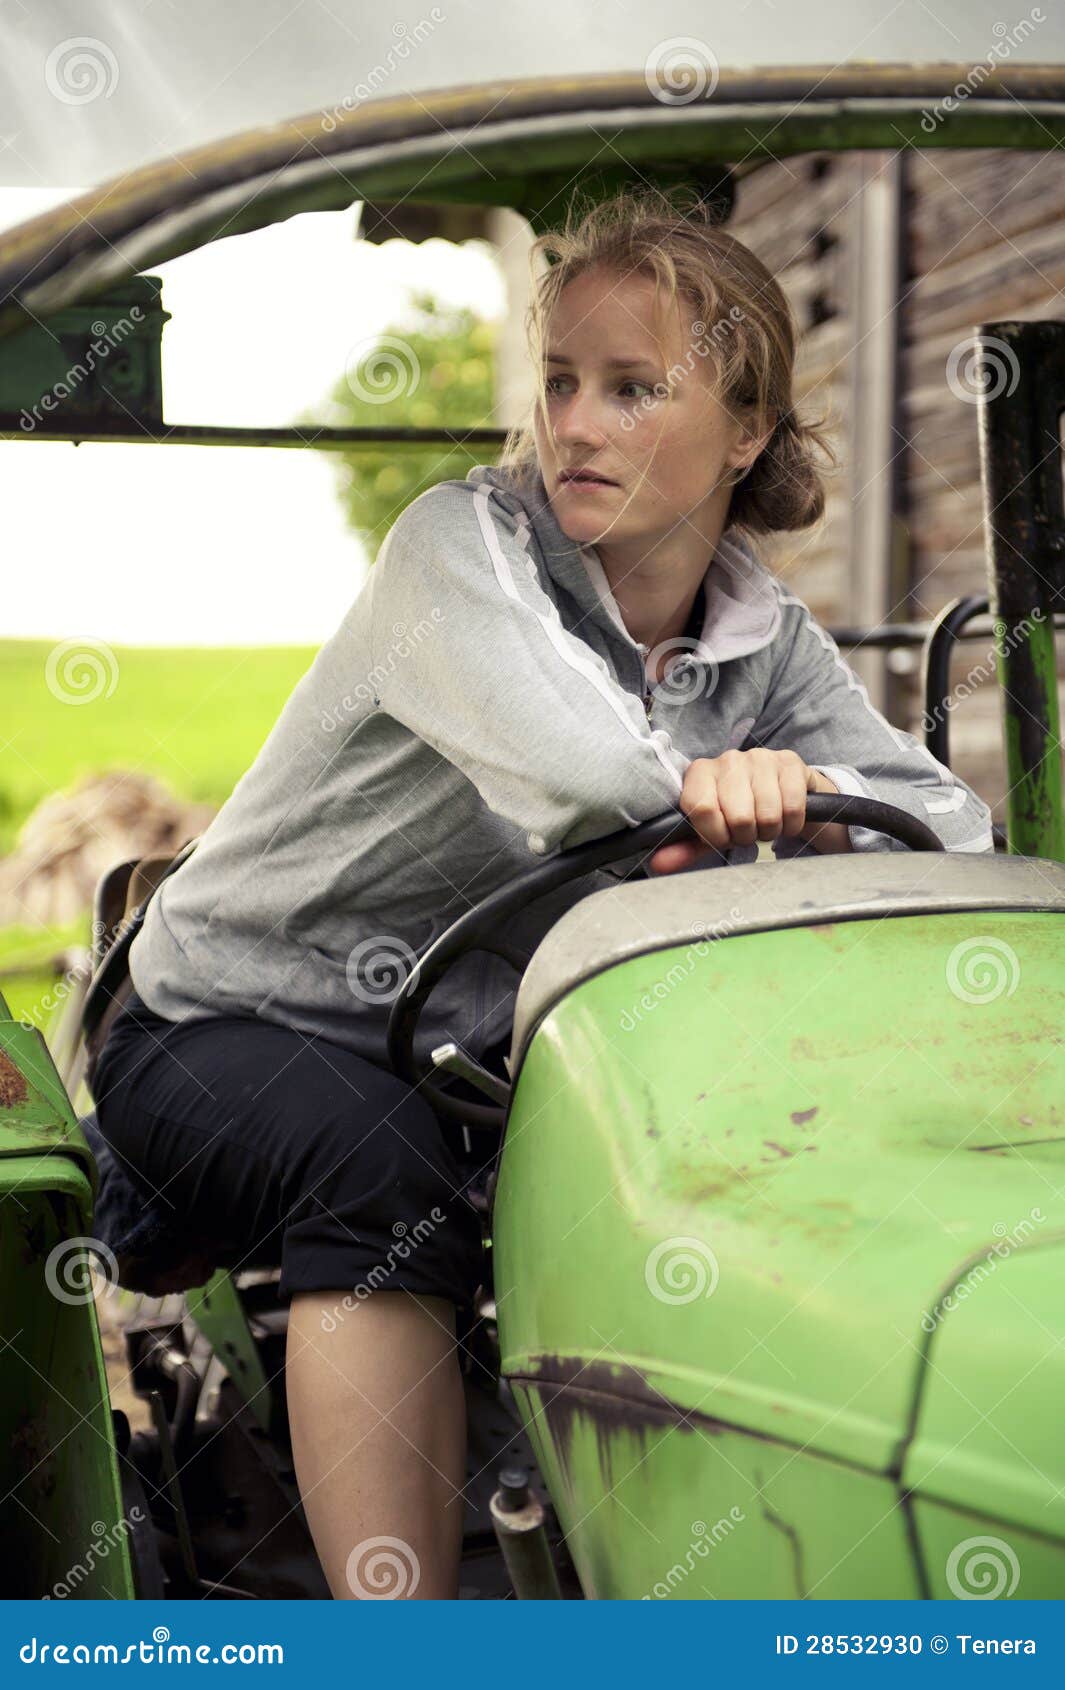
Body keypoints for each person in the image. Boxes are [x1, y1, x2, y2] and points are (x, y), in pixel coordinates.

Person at [91, 185, 993, 1601]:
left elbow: (944, 823)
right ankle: (408, 1631)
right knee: (371, 1164)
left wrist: (813, 808)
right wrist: (738, 793)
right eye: (560, 382)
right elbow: (587, 777)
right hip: (228, 1022)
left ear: (743, 430)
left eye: (632, 390)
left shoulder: (768, 637)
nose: (573, 426)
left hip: (471, 1051)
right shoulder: (455, 553)